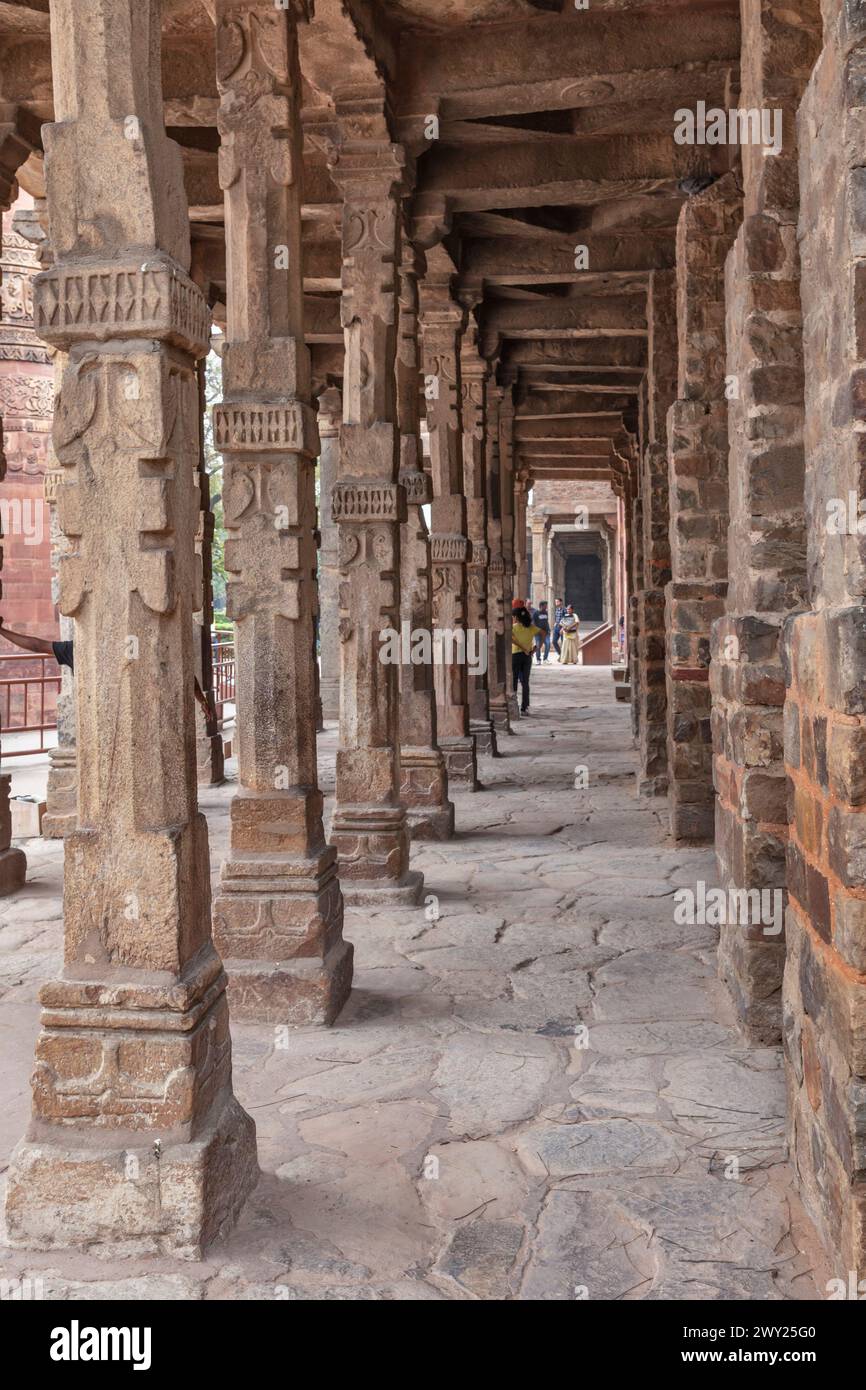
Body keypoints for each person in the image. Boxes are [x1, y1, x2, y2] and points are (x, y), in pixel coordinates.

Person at [0, 620, 211, 716]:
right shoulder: (138, 645)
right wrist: (201, 699)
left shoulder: (82, 648)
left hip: (103, 717)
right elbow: (181, 669)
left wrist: (2, 631)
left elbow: (38, 645)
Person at [511, 605, 540, 716]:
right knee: (525, 682)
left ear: (516, 617)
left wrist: (523, 648)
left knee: (514, 681)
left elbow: (511, 639)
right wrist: (535, 648)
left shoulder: (513, 627)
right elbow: (543, 634)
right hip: (527, 656)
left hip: (515, 656)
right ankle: (525, 707)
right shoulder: (530, 627)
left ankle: (514, 706)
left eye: (513, 617)